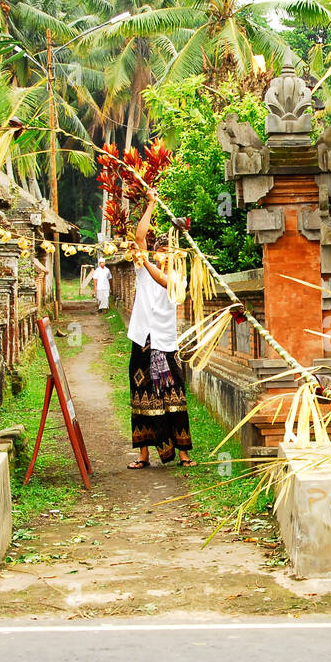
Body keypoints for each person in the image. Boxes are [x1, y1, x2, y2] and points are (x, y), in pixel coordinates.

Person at [126, 195, 193, 469]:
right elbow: (140, 236)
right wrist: (151, 203)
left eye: (169, 252)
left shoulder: (179, 279)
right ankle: (144, 455)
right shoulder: (143, 269)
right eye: (160, 251)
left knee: (174, 398)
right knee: (141, 399)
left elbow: (162, 280)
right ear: (155, 252)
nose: (165, 255)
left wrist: (146, 260)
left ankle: (184, 454)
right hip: (142, 341)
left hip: (165, 345)